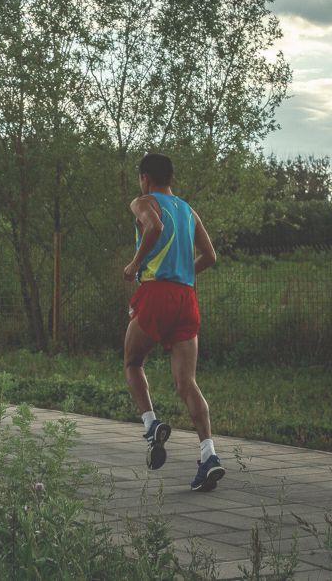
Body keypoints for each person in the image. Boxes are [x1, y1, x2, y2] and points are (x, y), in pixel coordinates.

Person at [122, 153, 224, 491]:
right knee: (187, 383)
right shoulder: (187, 209)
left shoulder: (143, 201)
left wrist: (135, 265)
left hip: (157, 295)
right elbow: (210, 256)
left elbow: (154, 226)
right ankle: (209, 455)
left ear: (145, 178)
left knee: (133, 362)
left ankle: (152, 426)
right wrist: (183, 276)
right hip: (186, 299)